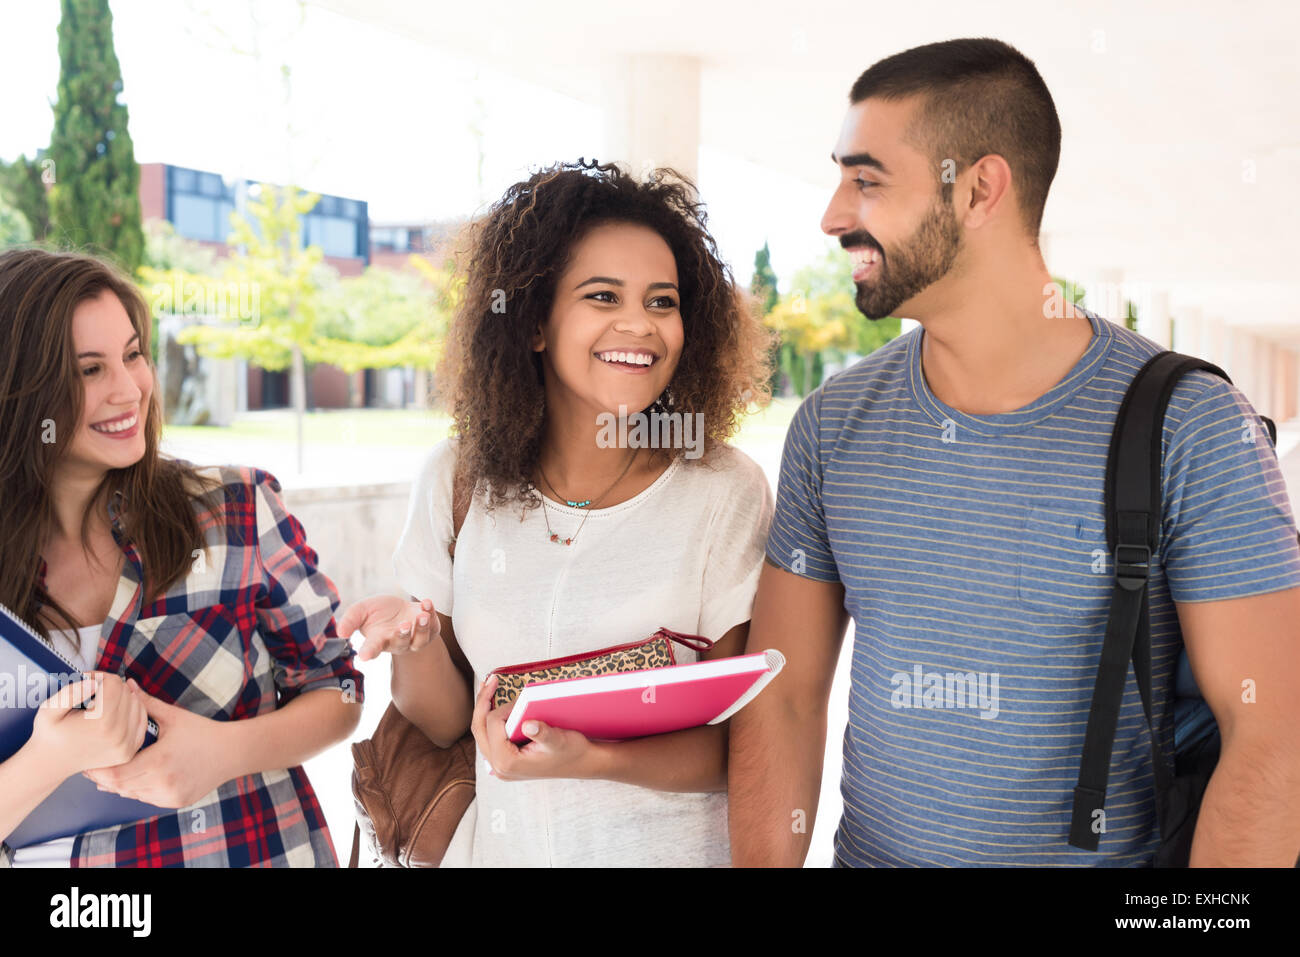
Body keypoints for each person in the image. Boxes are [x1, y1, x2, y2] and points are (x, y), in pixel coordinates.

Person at [728, 37, 1300, 867]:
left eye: (867, 179)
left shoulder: (1195, 425)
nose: (832, 214)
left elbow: (1272, 729)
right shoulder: (832, 424)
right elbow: (783, 697)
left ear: (980, 189)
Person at [337, 159, 774, 867]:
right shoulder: (458, 481)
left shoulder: (723, 491)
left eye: (663, 302)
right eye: (603, 296)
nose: (640, 323)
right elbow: (446, 718)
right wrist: (414, 644)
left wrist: (593, 757)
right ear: (534, 324)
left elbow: (742, 745)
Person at [0, 247, 363, 867]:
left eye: (133, 354)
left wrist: (224, 752)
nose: (129, 389)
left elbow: (340, 692)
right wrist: (50, 758)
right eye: (89, 370)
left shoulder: (236, 510)